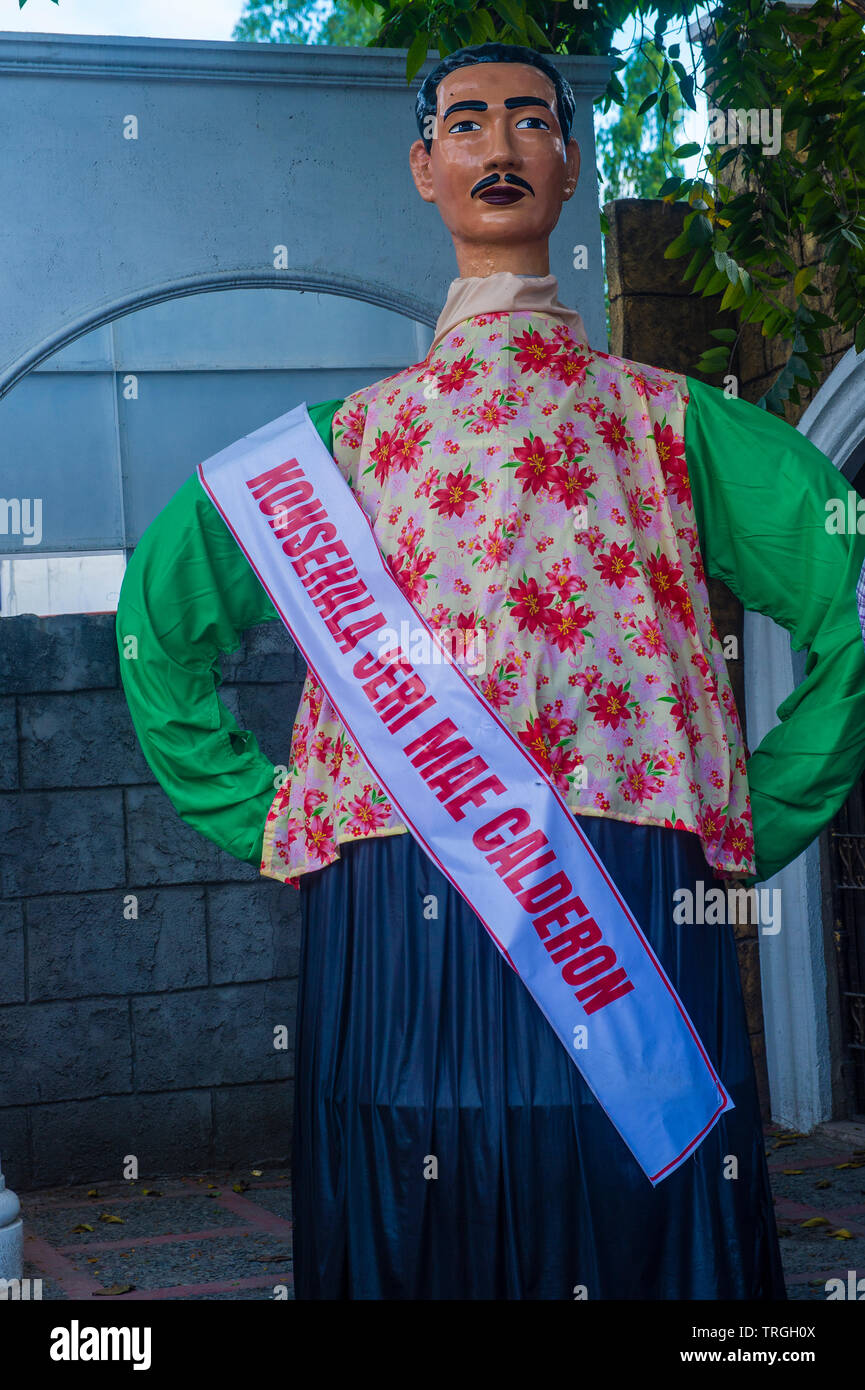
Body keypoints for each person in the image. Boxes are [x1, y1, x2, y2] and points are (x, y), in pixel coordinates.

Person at [116, 42, 865, 1299]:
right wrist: (274, 811)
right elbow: (157, 621)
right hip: (398, 884)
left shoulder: (673, 422)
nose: (500, 143)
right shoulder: (335, 448)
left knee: (630, 1184)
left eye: (532, 119)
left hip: (623, 886)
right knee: (416, 1156)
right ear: (424, 167)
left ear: (571, 163)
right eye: (466, 122)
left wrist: (758, 807)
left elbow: (844, 583)